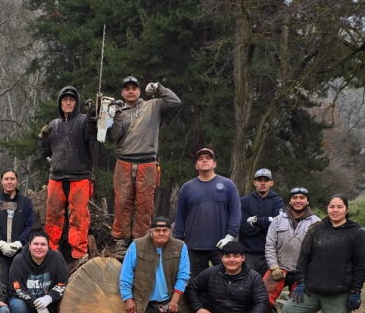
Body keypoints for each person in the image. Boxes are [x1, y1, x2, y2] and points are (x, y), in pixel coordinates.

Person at [275, 195, 365, 313]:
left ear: (346, 210)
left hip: (339, 292)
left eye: (339, 207)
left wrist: (356, 290)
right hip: (312, 289)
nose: (335, 210)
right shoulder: (316, 229)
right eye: (332, 206)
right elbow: (303, 258)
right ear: (327, 208)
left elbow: (362, 264)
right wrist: (301, 282)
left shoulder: (355, 233)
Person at [109, 76, 181, 246]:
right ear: (122, 92)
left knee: (144, 205)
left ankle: (140, 242)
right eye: (127, 89)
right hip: (124, 162)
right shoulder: (119, 111)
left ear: (139, 91)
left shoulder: (153, 105)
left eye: (134, 88)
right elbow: (114, 137)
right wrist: (116, 116)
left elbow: (175, 102)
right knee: (122, 202)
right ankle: (120, 240)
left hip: (147, 162)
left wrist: (158, 88)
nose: (131, 91)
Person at [39, 87, 96, 264]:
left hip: (80, 176)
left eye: (72, 99)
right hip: (56, 176)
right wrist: (43, 138)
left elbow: (92, 136)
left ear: (76, 102)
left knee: (79, 217)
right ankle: (50, 253)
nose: (68, 102)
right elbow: (45, 152)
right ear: (60, 103)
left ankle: (79, 255)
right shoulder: (54, 125)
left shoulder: (83, 121)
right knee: (52, 217)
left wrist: (93, 118)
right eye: (65, 100)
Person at [264, 186, 320, 313]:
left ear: (307, 201)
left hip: (302, 272)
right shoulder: (278, 220)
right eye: (295, 197)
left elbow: (318, 250)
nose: (298, 201)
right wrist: (273, 265)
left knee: (298, 306)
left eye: (302, 198)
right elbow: (269, 244)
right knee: (262, 298)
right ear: (289, 200)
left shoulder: (315, 222)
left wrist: (309, 273)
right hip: (279, 268)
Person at [173, 148, 241, 279]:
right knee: (194, 284)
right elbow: (180, 216)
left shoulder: (228, 185)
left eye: (208, 158)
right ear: (196, 165)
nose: (204, 160)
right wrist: (178, 240)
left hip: (221, 245)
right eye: (200, 158)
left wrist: (230, 236)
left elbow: (235, 212)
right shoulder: (187, 188)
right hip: (193, 246)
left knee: (223, 282)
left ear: (215, 164)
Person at [7, 228, 68, 313]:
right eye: (36, 244)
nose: (39, 247)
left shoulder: (57, 258)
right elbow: (17, 288)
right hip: (24, 306)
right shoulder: (19, 260)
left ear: (48, 246)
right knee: (16, 305)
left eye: (43, 244)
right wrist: (37, 304)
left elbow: (63, 282)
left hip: (45, 310)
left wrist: (49, 298)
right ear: (29, 246)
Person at [0, 169, 34, 295]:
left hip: (19, 252)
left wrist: (19, 243)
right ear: (1, 182)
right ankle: (1, 310)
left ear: (17, 181)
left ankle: (18, 311)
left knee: (18, 285)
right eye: (6, 179)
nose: (9, 182)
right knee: (0, 285)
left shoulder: (26, 203)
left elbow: (30, 226)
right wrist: (0, 244)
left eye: (12, 179)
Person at [239, 170, 284, 276]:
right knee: (248, 287)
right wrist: (267, 222)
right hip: (248, 253)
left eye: (266, 180)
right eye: (259, 180)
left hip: (270, 254)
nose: (262, 183)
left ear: (271, 183)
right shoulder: (244, 201)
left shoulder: (277, 201)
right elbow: (242, 227)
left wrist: (256, 221)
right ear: (254, 182)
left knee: (268, 289)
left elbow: (279, 226)